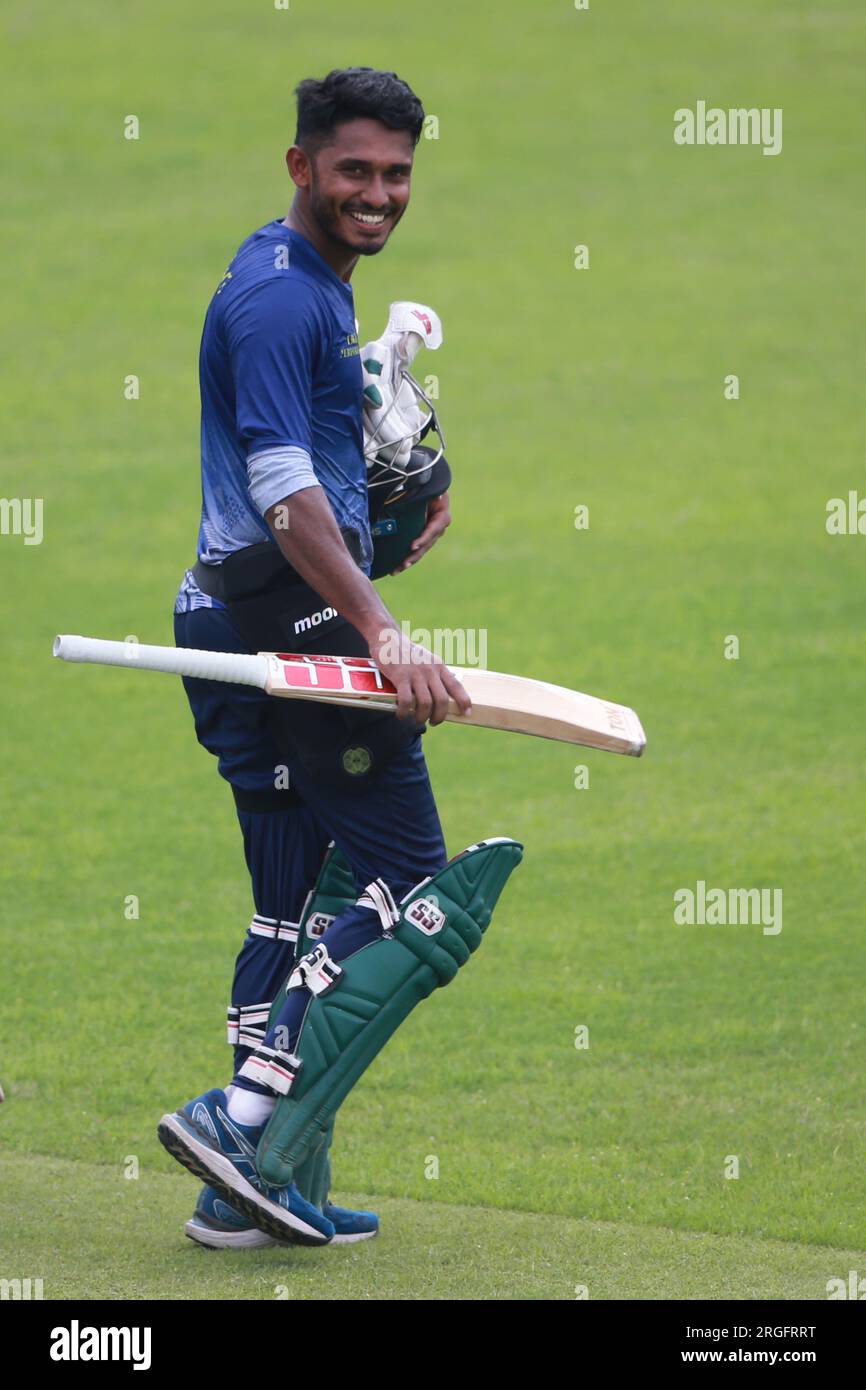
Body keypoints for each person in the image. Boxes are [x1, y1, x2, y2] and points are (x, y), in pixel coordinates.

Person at [160, 67, 519, 1249]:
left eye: (397, 173)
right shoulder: (278, 301)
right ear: (300, 164)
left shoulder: (304, 289)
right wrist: (378, 625)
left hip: (227, 616)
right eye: (354, 169)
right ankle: (247, 1111)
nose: (378, 193)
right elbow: (280, 488)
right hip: (293, 630)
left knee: (287, 908)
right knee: (412, 883)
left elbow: (308, 476)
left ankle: (245, 1190)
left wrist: (381, 533)